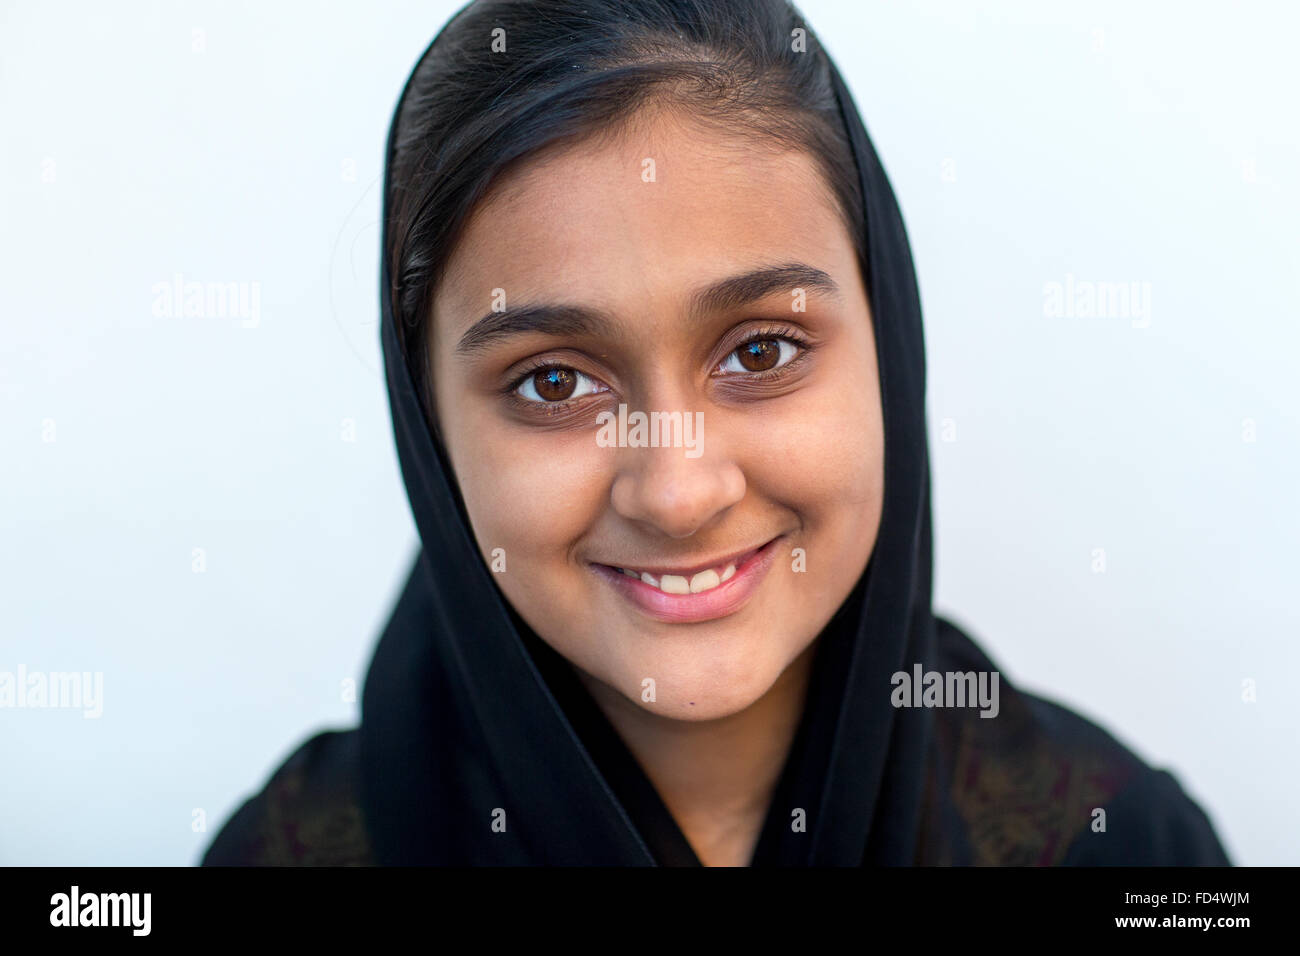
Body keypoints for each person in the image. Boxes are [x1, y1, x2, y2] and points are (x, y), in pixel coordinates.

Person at [202, 0, 1231, 866]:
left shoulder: (1120, 845)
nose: (679, 489)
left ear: (891, 345)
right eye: (554, 378)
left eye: (761, 352)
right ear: (429, 429)